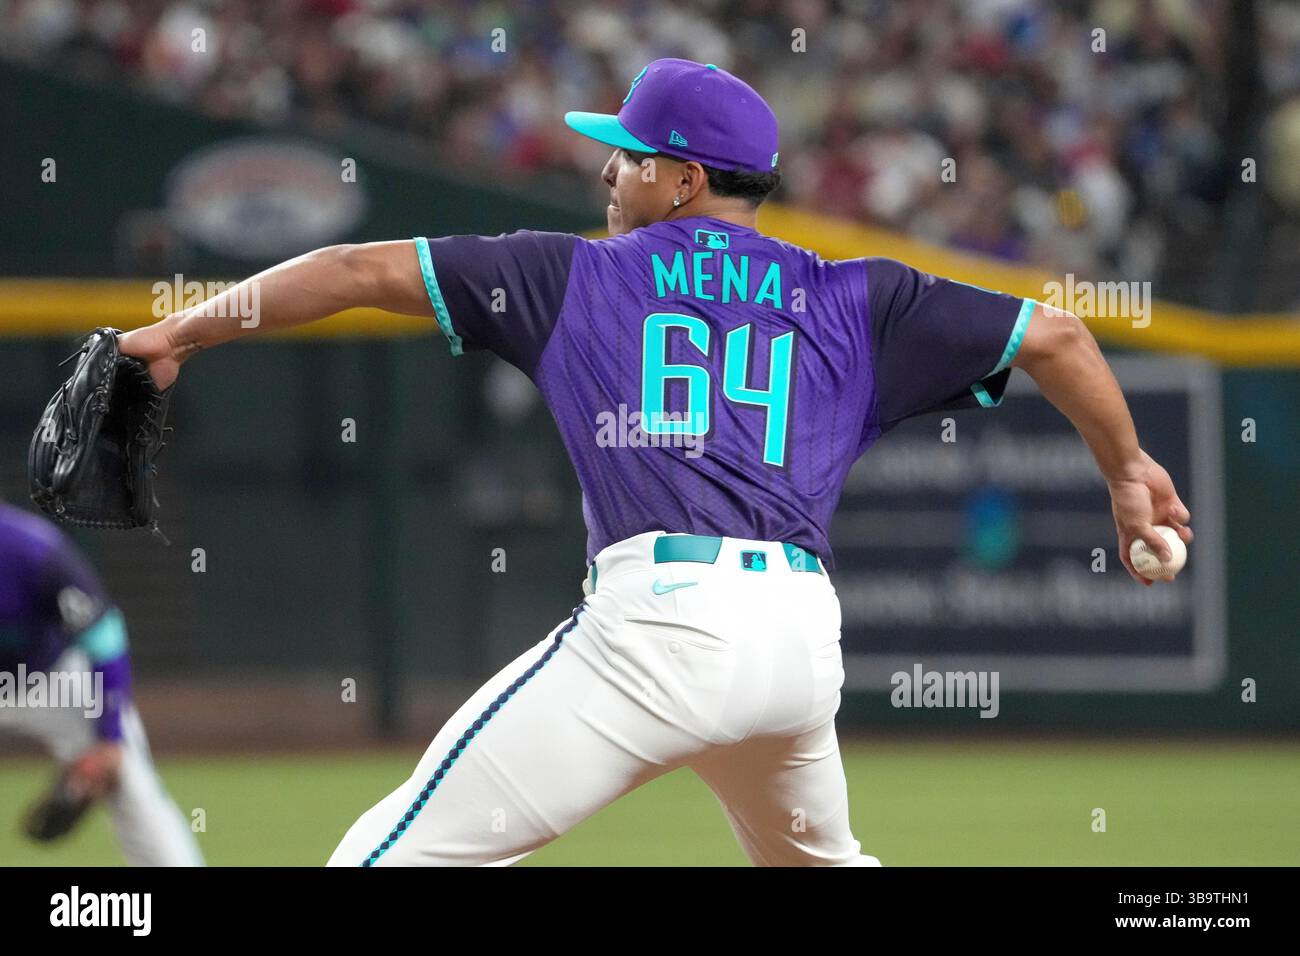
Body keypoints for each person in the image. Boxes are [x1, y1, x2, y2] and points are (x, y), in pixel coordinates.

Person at [117, 59, 1192, 866]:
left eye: (628, 154)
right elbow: (1057, 336)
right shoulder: (859, 295)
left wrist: (176, 335)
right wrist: (1126, 468)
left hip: (660, 631)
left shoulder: (570, 275)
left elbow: (353, 267)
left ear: (679, 181)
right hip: (797, 646)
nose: (606, 167)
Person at [0, 503, 204, 866]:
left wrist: (110, 738)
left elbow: (104, 637)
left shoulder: (33, 549)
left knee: (129, 779)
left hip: (47, 679)